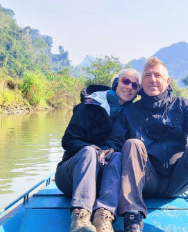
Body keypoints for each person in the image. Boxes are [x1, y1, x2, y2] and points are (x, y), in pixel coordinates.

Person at [104, 57, 188, 232]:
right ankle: (132, 218)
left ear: (167, 81)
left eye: (158, 76)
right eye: (147, 75)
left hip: (178, 179)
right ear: (142, 82)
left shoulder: (183, 105)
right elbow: (113, 143)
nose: (152, 79)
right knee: (132, 144)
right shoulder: (130, 111)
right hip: (145, 181)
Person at [56, 68, 140, 232]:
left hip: (104, 182)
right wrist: (96, 151)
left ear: (137, 92)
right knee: (88, 152)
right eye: (125, 81)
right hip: (73, 177)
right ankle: (81, 217)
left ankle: (104, 217)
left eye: (135, 85)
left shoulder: (132, 116)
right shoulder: (90, 105)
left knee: (117, 156)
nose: (129, 87)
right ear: (116, 83)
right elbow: (68, 140)